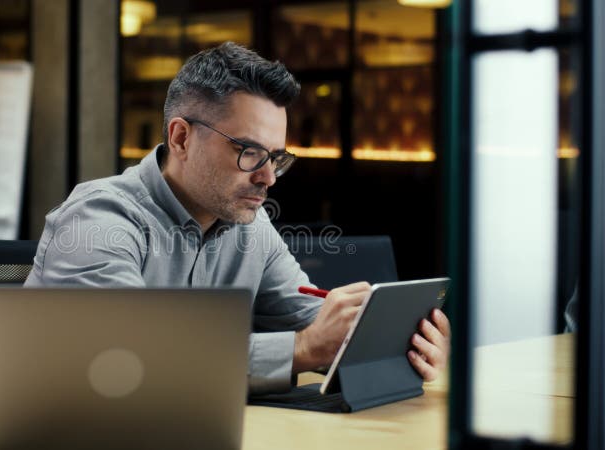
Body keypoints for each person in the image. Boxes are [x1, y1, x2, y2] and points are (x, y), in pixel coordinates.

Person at [25, 42, 450, 394]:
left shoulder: (251, 226)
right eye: (249, 152)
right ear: (181, 138)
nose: (268, 177)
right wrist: (304, 348)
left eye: (275, 157)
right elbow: (133, 359)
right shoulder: (96, 220)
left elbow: (315, 324)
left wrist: (396, 343)